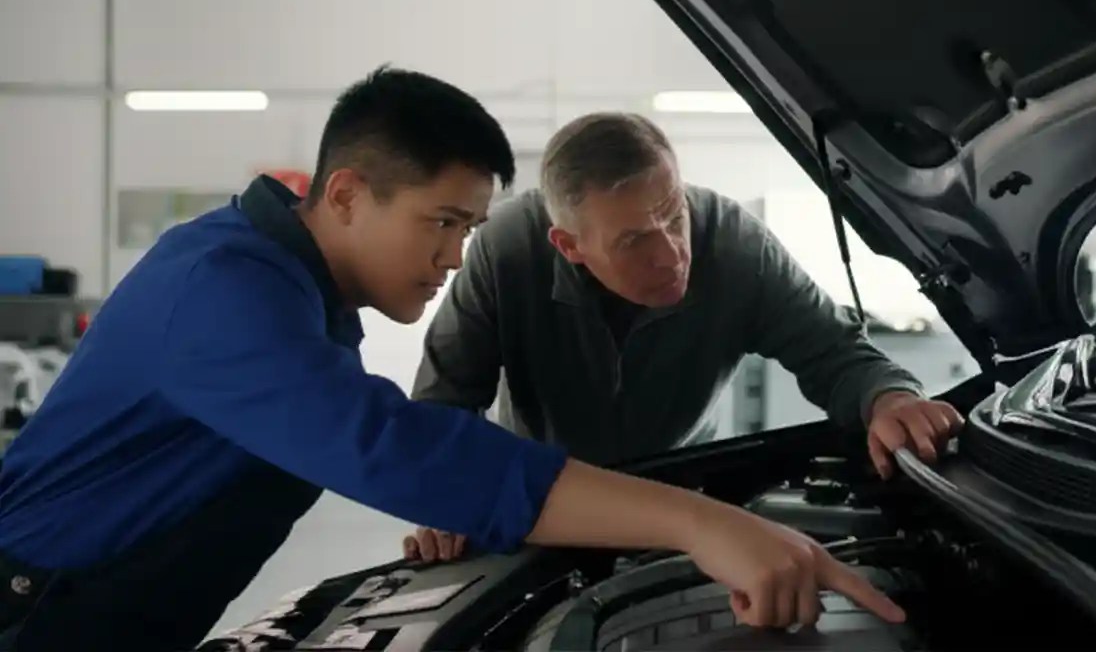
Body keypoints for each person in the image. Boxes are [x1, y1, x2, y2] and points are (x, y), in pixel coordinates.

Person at [0, 68, 906, 652]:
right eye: (441, 223)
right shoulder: (223, 289)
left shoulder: (291, 291)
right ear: (348, 195)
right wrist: (708, 525)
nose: (455, 257)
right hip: (37, 613)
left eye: (469, 229)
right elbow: (398, 446)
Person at [406, 112, 964, 563]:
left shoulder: (733, 241)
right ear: (569, 245)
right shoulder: (508, 249)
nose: (672, 254)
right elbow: (446, 399)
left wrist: (890, 397)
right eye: (633, 241)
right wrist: (444, 496)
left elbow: (837, 353)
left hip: (685, 499)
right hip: (545, 505)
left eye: (675, 216)